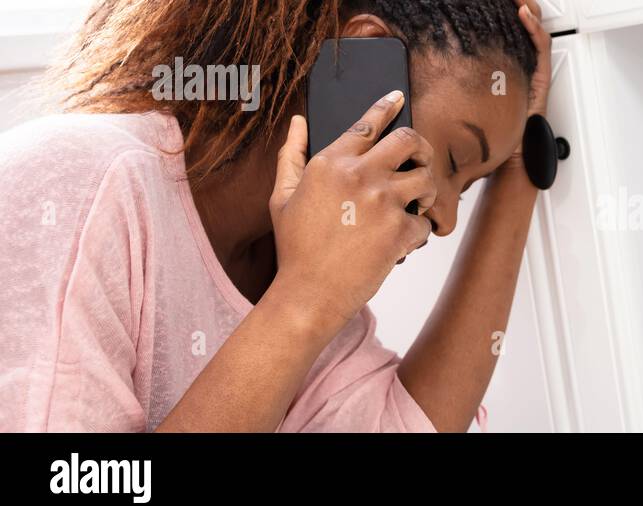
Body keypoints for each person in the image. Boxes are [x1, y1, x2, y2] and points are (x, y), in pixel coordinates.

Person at [0, 0, 552, 432]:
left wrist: (521, 174)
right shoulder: (81, 182)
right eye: (454, 162)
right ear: (363, 56)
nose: (447, 219)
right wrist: (305, 299)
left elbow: (410, 423)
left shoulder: (297, 272)